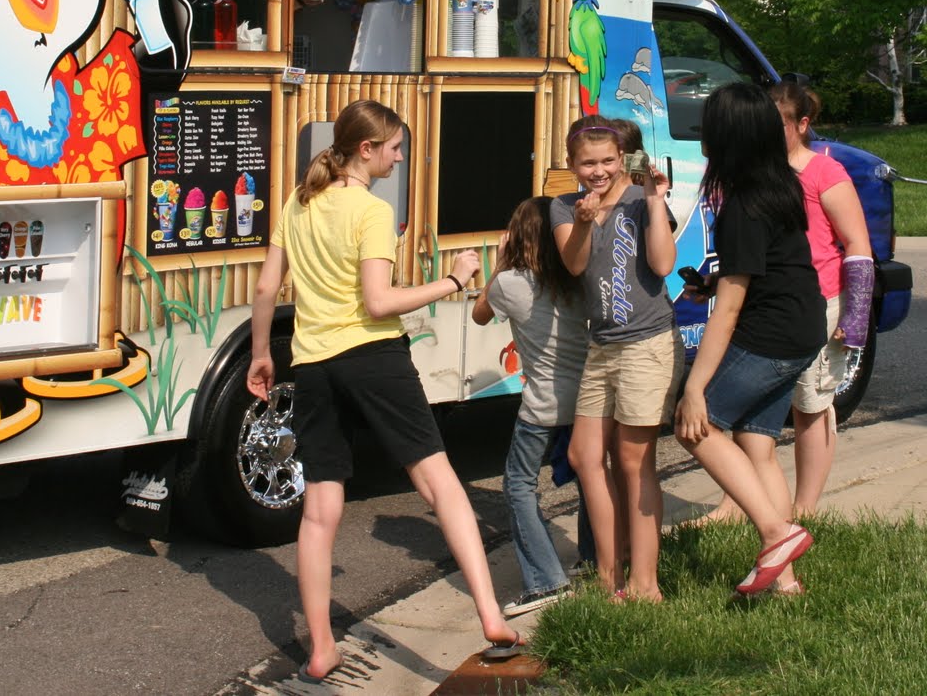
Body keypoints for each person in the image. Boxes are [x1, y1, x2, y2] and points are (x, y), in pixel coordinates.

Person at [246, 100, 522, 683]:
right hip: (373, 357)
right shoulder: (371, 212)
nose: (400, 156)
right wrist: (453, 280)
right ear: (365, 150)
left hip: (314, 365)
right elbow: (377, 303)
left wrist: (262, 353)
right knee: (440, 484)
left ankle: (321, 648)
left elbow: (268, 286)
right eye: (395, 146)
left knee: (320, 511)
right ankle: (491, 616)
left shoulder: (298, 203)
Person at [697, 82, 873, 528]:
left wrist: (855, 316)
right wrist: (715, 280)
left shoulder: (809, 178)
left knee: (712, 422)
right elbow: (757, 261)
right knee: (757, 439)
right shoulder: (768, 185)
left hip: (798, 314)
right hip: (785, 312)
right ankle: (777, 552)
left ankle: (792, 520)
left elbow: (857, 246)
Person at [674, 82, 824, 598]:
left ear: (728, 138)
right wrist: (713, 281)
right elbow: (768, 267)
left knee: (696, 427)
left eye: (708, 126)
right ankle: (786, 583)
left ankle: (776, 535)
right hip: (803, 326)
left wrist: (695, 389)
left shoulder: (740, 206)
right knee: (757, 445)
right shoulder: (778, 185)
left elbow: (730, 311)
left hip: (773, 334)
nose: (701, 136)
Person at [551, 119, 679, 602]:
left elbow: (664, 265)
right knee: (584, 455)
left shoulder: (640, 198)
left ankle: (645, 584)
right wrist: (584, 222)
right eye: (588, 163)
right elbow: (575, 264)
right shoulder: (565, 207)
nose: (598, 171)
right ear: (572, 165)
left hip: (647, 342)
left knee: (633, 460)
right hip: (603, 345)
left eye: (608, 160)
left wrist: (653, 199)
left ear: (623, 157)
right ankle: (610, 577)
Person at [471, 196, 591, 617]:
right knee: (590, 480)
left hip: (541, 405)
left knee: (519, 486)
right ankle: (593, 564)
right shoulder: (578, 279)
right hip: (588, 401)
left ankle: (545, 580)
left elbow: (479, 315)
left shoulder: (511, 283)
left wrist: (500, 263)